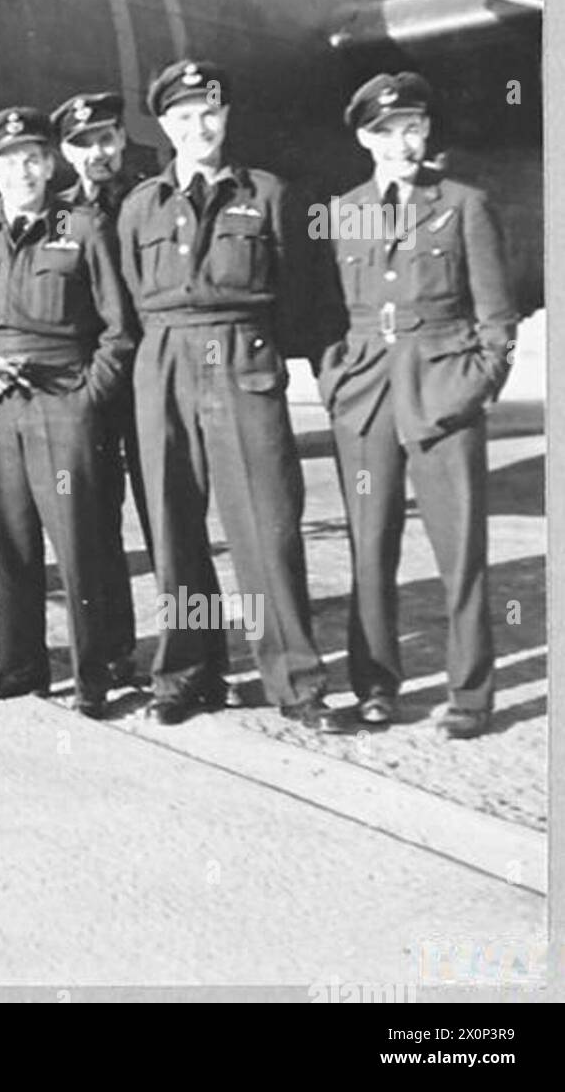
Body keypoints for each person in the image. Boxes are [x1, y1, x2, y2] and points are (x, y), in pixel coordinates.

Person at [117, 59, 349, 732]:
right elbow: (134, 298)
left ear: (227, 118)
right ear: (164, 125)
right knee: (173, 527)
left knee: (267, 527)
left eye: (209, 113)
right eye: (184, 116)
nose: (199, 126)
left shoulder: (270, 194)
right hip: (164, 362)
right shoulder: (141, 206)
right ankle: (188, 673)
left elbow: (302, 294)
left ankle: (297, 682)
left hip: (245, 359)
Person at [318, 72, 517, 739]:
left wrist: (473, 385)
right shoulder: (346, 209)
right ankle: (374, 686)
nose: (400, 142)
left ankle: (471, 693)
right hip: (368, 390)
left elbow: (496, 317)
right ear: (363, 137)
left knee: (459, 549)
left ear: (427, 131)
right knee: (370, 546)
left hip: (442, 387)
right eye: (384, 131)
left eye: (412, 127)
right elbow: (326, 312)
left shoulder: (465, 203)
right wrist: (336, 380)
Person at [0, 106, 133, 718]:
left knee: (81, 541)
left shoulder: (84, 227)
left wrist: (86, 399)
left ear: (50, 166)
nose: (21, 170)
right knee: (10, 539)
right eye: (7, 161)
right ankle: (18, 663)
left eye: (32, 159)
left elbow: (118, 332)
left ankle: (93, 672)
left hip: (63, 402)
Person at [51, 91, 155, 688]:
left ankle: (191, 655)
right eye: (84, 143)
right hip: (92, 384)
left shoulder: (152, 198)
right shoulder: (57, 213)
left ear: (123, 140)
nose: (99, 152)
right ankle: (114, 648)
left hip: (153, 381)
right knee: (94, 521)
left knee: (169, 520)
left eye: (108, 138)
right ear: (67, 151)